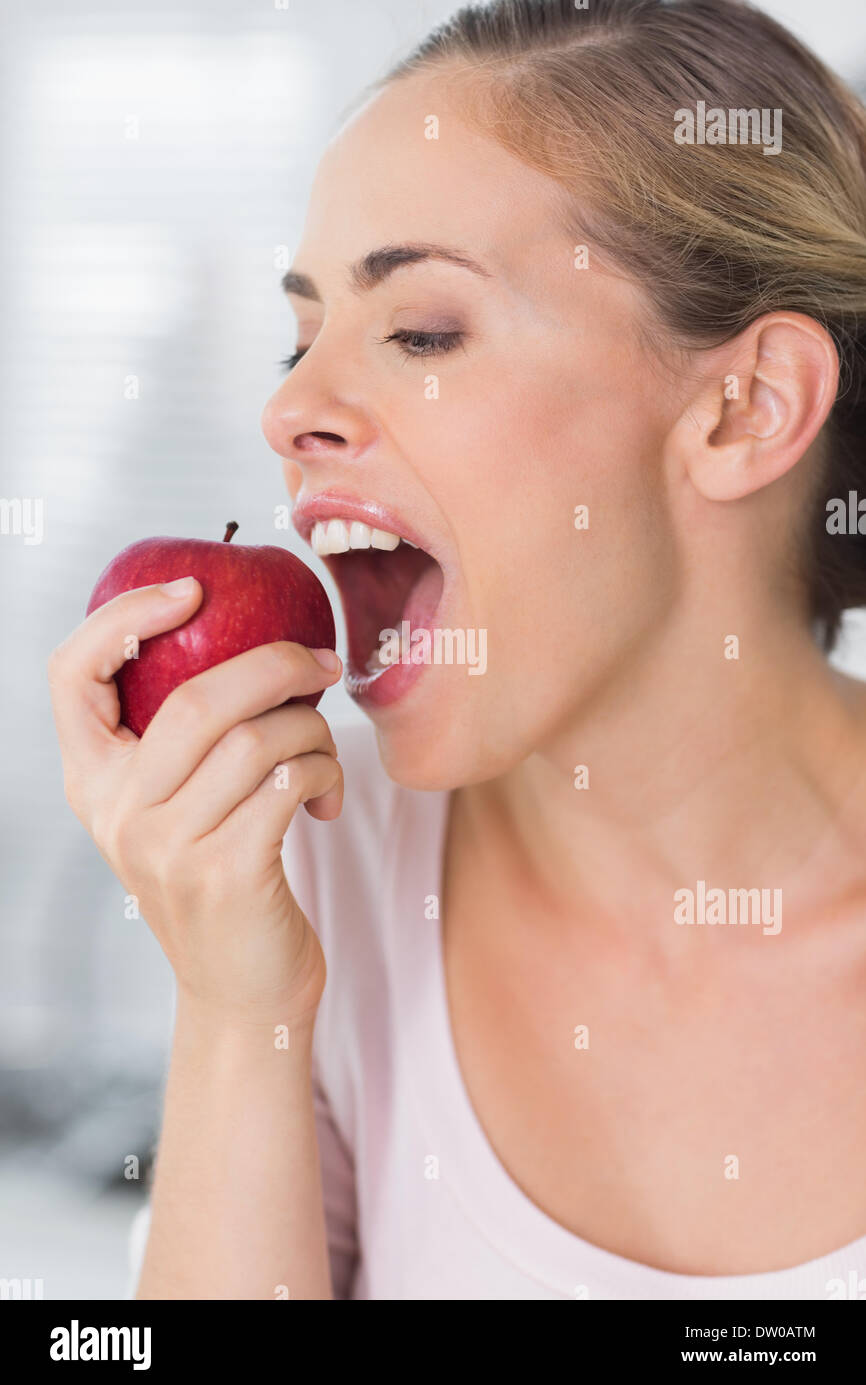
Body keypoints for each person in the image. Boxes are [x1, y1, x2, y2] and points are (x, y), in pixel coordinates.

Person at [50, 0, 866, 1299]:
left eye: (421, 331)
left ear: (743, 406)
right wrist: (237, 1006)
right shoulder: (312, 868)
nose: (286, 408)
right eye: (299, 333)